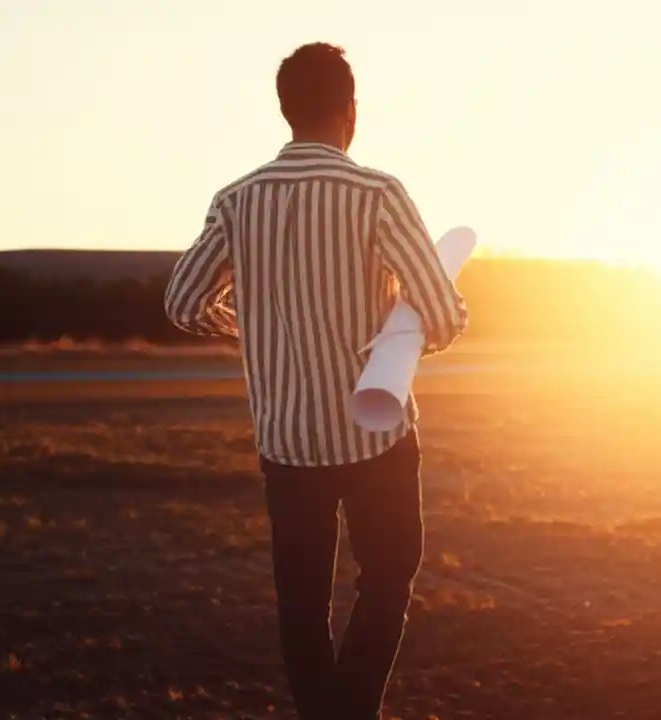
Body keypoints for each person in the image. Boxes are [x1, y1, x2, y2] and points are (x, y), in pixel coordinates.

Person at [164, 42, 468, 720]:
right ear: (350, 111)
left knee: (300, 607)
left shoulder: (236, 200)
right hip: (377, 439)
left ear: (285, 110)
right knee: (387, 581)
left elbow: (182, 303)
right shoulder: (378, 194)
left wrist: (252, 328)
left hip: (287, 442)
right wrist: (413, 340)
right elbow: (442, 314)